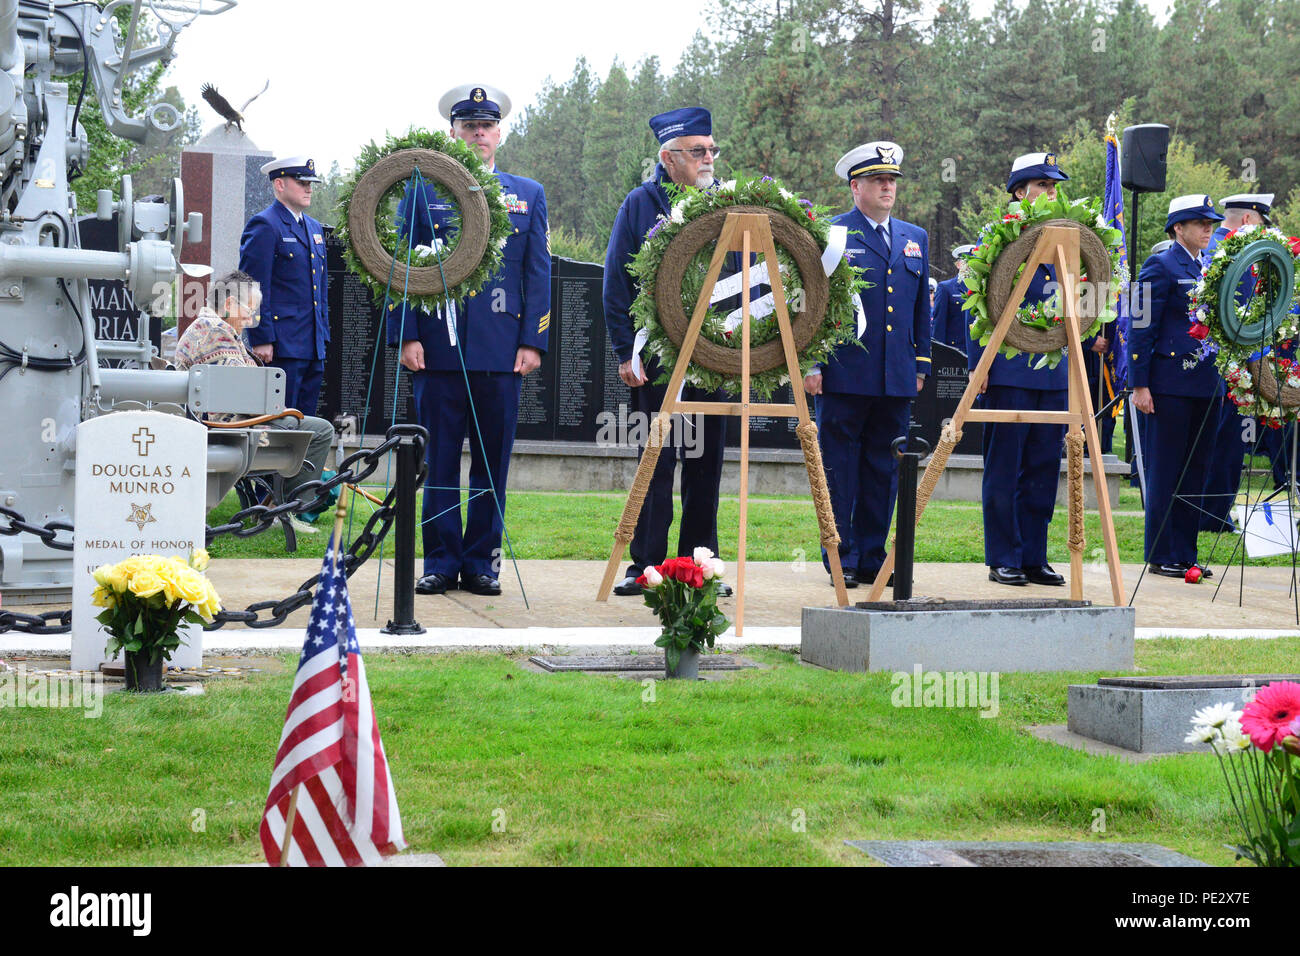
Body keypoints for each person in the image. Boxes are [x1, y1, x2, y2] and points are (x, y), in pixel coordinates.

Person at [391, 84, 550, 597]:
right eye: (468, 127)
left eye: (486, 127)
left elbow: (537, 272)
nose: (478, 134)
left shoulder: (527, 194)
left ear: (499, 133)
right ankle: (439, 560)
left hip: (502, 353)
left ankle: (481, 561)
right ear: (452, 133)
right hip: (437, 351)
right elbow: (398, 266)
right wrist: (407, 334)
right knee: (438, 462)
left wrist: (533, 341)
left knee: (491, 464)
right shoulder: (422, 191)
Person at [603, 107, 734, 598]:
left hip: (715, 356)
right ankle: (647, 565)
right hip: (656, 358)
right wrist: (624, 351)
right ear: (668, 157)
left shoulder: (728, 203)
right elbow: (617, 282)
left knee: (706, 467)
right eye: (697, 151)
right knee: (654, 463)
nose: (707, 159)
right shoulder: (641, 203)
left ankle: (700, 564)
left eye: (711, 150)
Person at [805, 141, 930, 588]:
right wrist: (812, 363)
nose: (887, 187)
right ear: (854, 186)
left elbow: (920, 311)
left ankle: (874, 554)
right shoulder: (833, 233)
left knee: (884, 469)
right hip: (844, 374)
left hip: (894, 377)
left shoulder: (915, 238)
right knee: (839, 468)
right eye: (878, 180)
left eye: (892, 180)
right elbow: (813, 304)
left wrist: (920, 364)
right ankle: (841, 555)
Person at [965, 152, 1070, 587]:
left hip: (1053, 372)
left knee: (1044, 468)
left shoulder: (1069, 238)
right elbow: (974, 303)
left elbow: (1084, 299)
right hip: (1008, 370)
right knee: (1005, 469)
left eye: (1053, 186)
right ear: (1019, 192)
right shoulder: (1000, 237)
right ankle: (1003, 556)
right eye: (1042, 186)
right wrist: (979, 367)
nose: (1050, 193)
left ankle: (1033, 556)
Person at [174, 270, 335, 532]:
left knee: (303, 424)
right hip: (230, 433)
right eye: (249, 310)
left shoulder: (209, 327)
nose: (252, 318)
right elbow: (243, 396)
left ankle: (277, 509)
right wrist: (278, 411)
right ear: (228, 305)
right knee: (318, 430)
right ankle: (286, 511)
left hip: (225, 427)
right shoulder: (216, 333)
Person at [1129, 194, 1224, 578]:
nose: (1208, 229)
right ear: (1178, 228)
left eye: (1211, 223)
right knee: (1166, 471)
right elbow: (1140, 326)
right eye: (1200, 222)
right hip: (1168, 385)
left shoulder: (1212, 267)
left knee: (1195, 472)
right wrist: (1139, 384)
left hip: (1206, 384)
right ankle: (1161, 553)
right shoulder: (1161, 264)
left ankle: (1186, 552)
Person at [1201, 193, 1279, 527]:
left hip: (1219, 366)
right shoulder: (1231, 254)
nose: (1263, 230)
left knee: (1222, 443)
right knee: (1224, 445)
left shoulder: (1217, 250)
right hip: (1226, 366)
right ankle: (1212, 515)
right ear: (1248, 220)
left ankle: (1213, 512)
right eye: (1262, 222)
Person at [239, 156, 329, 416]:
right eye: (301, 182)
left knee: (306, 424)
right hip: (280, 346)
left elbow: (319, 290)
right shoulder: (266, 225)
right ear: (279, 184)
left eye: (311, 183)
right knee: (278, 424)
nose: (308, 188)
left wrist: (322, 337)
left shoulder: (313, 228)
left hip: (312, 345)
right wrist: (262, 338)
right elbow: (251, 287)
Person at [931, 243, 975, 353]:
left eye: (973, 262)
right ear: (958, 264)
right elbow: (939, 324)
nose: (970, 265)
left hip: (976, 351)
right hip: (954, 351)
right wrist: (939, 353)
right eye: (966, 262)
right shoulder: (946, 288)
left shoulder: (981, 288)